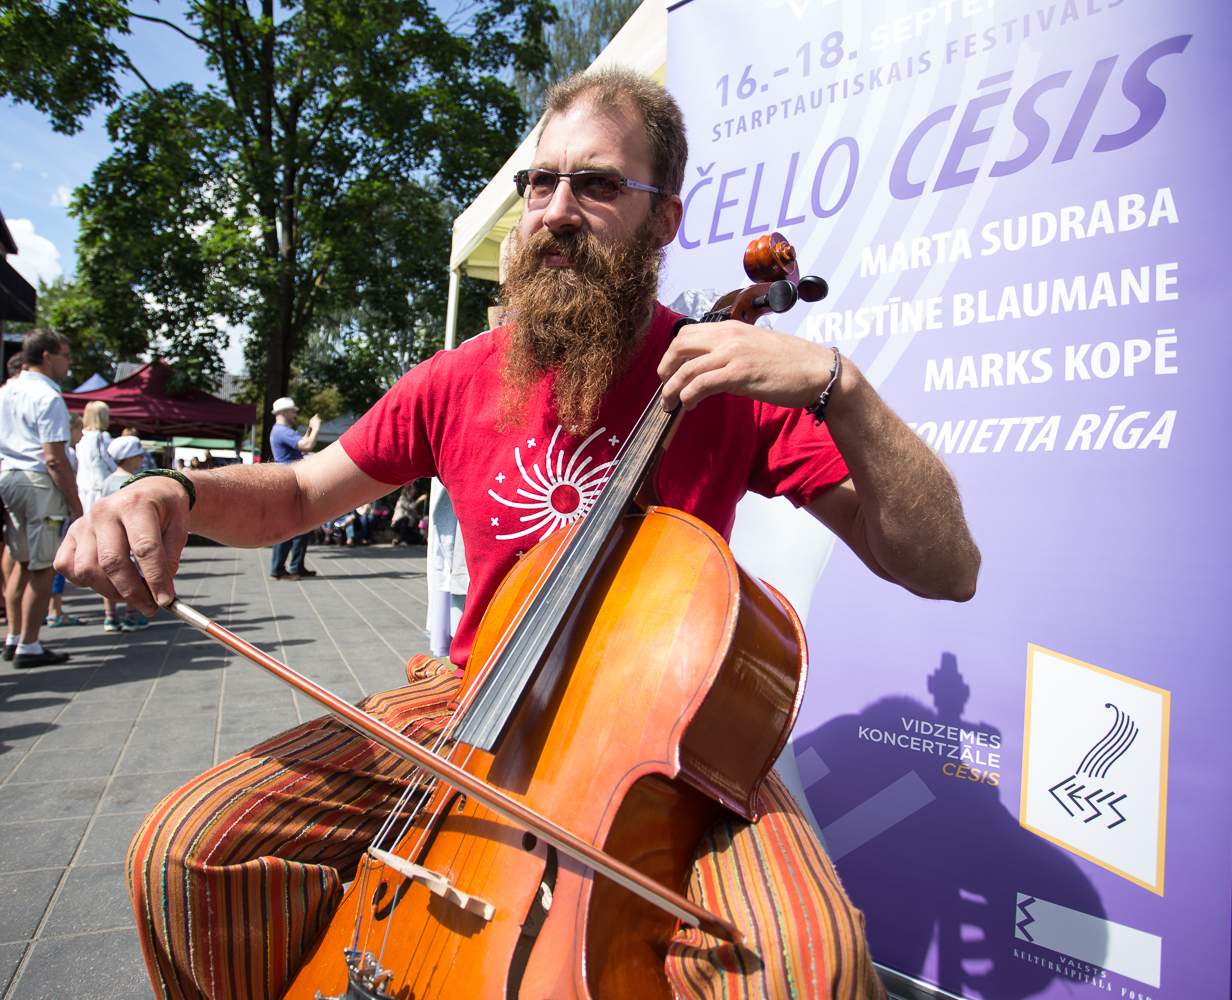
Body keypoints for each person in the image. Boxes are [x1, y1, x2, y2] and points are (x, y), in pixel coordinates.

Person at [58, 69, 979, 1000]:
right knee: (185, 852)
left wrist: (842, 388)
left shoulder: (727, 380)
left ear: (666, 220)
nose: (557, 209)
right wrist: (173, 490)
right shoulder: (460, 377)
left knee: (801, 969)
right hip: (466, 706)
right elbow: (298, 492)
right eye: (541, 183)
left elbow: (946, 569)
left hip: (666, 738)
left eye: (599, 184)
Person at [2, 328, 83, 668]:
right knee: (42, 566)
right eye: (66, 355)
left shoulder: (7, 390)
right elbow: (53, 458)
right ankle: (30, 646)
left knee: (20, 561)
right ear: (47, 356)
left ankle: (14, 637)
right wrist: (76, 506)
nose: (69, 363)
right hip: (37, 484)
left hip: (9, 478)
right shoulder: (48, 397)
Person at [98, 435, 153, 632]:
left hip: (110, 538)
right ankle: (131, 617)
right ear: (130, 459)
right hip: (131, 537)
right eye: (139, 456)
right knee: (133, 577)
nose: (142, 460)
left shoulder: (107, 481)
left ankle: (110, 618)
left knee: (110, 576)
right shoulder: (136, 482)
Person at [267, 396, 322, 581]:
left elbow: (302, 446)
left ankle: (296, 566)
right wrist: (315, 429)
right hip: (288, 482)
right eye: (292, 411)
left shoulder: (281, 431)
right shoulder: (282, 431)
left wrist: (309, 430)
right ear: (283, 413)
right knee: (289, 528)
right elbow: (307, 445)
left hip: (290, 482)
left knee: (301, 528)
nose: (295, 414)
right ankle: (278, 570)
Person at [46, 413, 86, 627]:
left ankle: (50, 609)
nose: (81, 435)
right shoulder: (67, 453)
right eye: (79, 430)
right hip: (58, 510)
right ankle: (55, 610)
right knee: (56, 560)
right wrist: (75, 506)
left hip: (50, 508)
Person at [76, 399, 116, 509]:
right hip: (99, 485)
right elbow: (108, 459)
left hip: (82, 484)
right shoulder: (102, 436)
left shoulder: (80, 435)